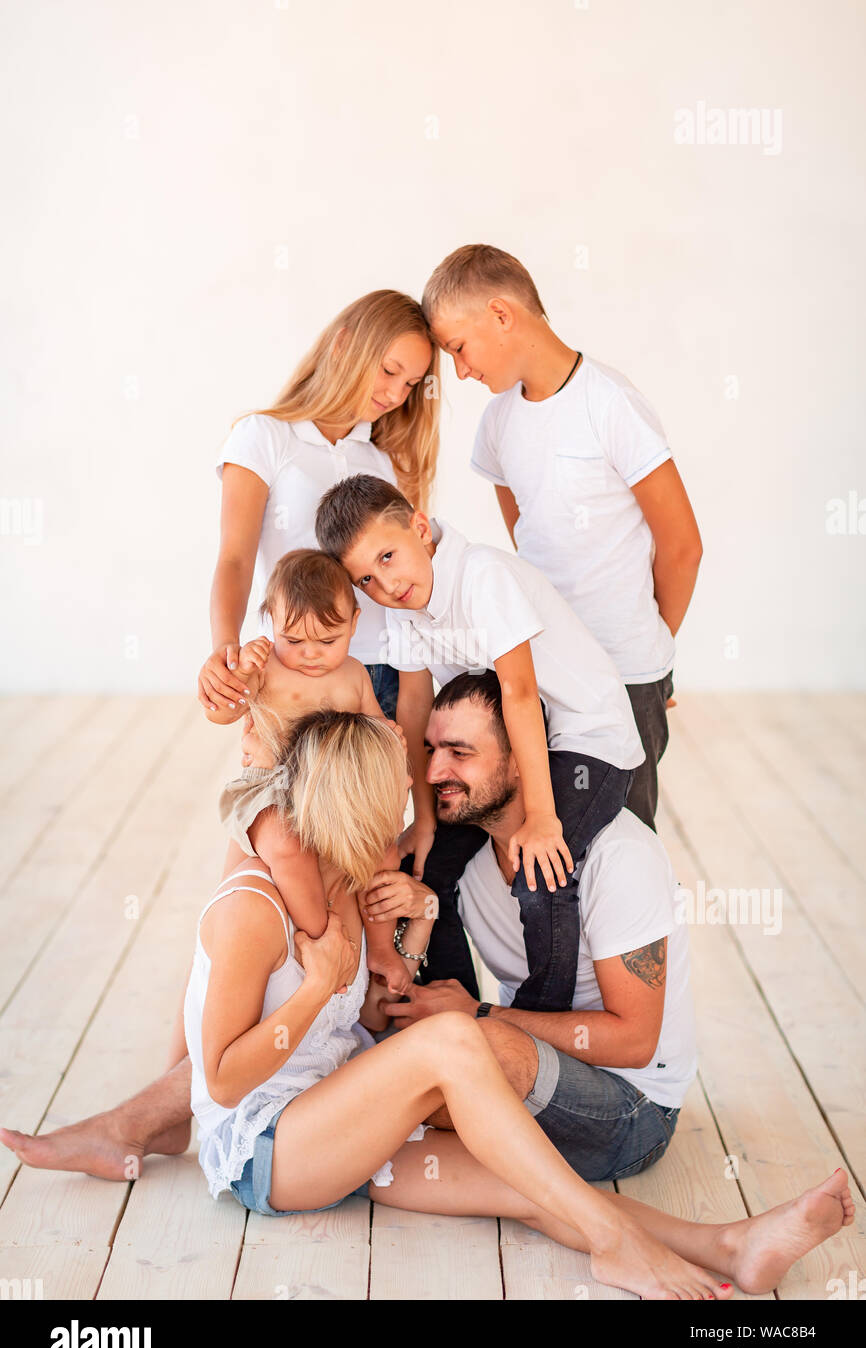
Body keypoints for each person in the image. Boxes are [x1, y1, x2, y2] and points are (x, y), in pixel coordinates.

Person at [2, 711, 853, 1300]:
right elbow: (219, 1082)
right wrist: (308, 989)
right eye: (394, 803)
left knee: (524, 1183)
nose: (409, 818)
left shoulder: (341, 887)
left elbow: (369, 1021)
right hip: (266, 1152)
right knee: (454, 1044)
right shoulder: (249, 911)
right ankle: (616, 1247)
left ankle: (730, 1248)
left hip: (333, 1128)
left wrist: (415, 929)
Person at [315, 473, 643, 1011]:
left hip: (584, 740)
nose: (385, 585)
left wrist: (540, 816)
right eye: (366, 580)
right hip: (511, 747)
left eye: (389, 557)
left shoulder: (481, 575)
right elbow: (416, 709)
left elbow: (518, 691)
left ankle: (534, 1028)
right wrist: (423, 820)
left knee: (539, 868)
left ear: (420, 527)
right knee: (428, 869)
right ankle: (454, 1016)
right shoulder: (404, 612)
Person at [367, 670, 693, 1182]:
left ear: (522, 759)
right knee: (403, 1038)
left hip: (631, 1107)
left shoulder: (618, 853)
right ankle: (350, 1132)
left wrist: (479, 1013)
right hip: (533, 1070)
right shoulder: (465, 856)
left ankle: (339, 1133)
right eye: (431, 751)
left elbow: (634, 1041)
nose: (433, 773)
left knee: (471, 1047)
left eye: (459, 752)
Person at [421, 244, 703, 831]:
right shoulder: (499, 424)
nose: (462, 370)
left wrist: (651, 654)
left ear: (501, 314)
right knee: (548, 841)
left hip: (626, 670)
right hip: (545, 671)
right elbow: (525, 538)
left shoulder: (611, 404)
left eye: (458, 348)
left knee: (621, 840)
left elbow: (681, 545)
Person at [197, 288, 439, 725]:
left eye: (410, 383)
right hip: (292, 667)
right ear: (344, 344)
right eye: (388, 370)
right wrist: (225, 647)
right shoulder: (265, 437)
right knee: (286, 792)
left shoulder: (382, 460)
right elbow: (235, 558)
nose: (396, 393)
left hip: (383, 673)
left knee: (375, 795)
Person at [207, 546, 411, 992]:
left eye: (327, 641)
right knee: (285, 844)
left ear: (354, 624)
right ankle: (321, 937)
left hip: (338, 792)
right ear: (271, 625)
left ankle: (379, 948)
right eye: (294, 640)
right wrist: (241, 673)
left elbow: (377, 726)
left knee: (384, 852)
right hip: (272, 790)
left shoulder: (355, 675)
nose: (311, 655)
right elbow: (224, 713)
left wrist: (391, 739)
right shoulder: (267, 669)